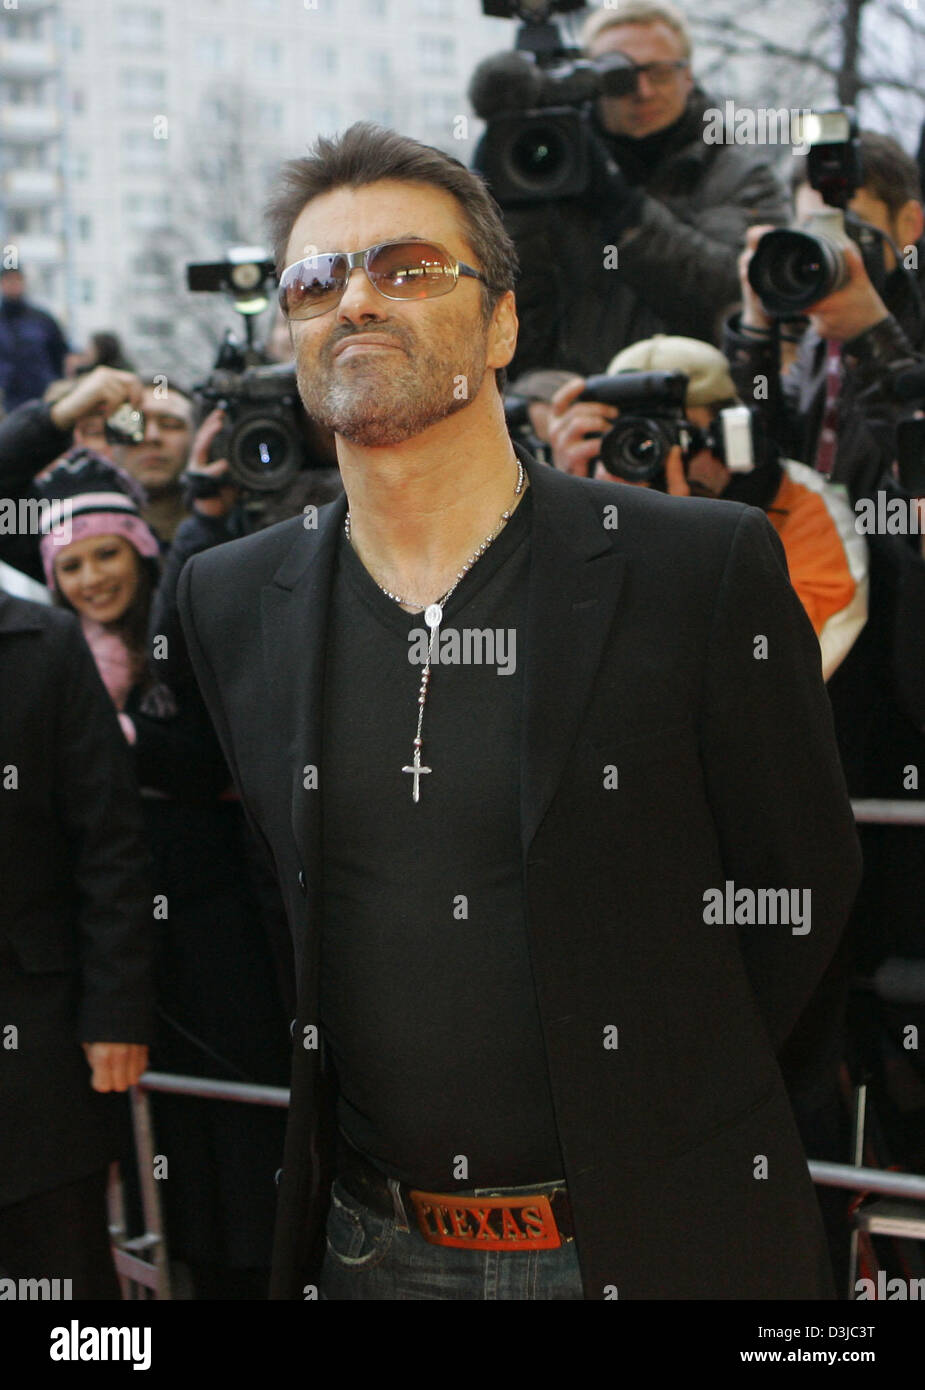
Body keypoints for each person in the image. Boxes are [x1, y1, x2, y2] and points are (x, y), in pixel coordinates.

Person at [177, 121, 861, 1301]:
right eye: (315, 277)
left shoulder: (694, 569)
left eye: (408, 267)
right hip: (371, 1248)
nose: (356, 300)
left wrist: (658, 1109)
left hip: (655, 1238)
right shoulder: (230, 598)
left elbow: (796, 883)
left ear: (499, 324)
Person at [37, 452, 291, 1299]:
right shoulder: (52, 660)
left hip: (217, 916)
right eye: (70, 565)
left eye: (105, 554)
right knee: (165, 1120)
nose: (92, 578)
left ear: (140, 549)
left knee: (242, 1113)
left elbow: (220, 760)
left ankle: (263, 1262)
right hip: (128, 938)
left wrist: (118, 739)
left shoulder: (179, 630)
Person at [545, 334, 869, 682]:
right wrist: (566, 507)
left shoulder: (809, 512)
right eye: (632, 442)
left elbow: (763, 683)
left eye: (681, 439)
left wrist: (676, 545)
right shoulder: (587, 503)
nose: (651, 460)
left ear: (734, 437)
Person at [503, 0, 789, 389]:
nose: (642, 91)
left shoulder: (740, 175)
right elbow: (512, 315)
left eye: (659, 72)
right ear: (589, 84)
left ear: (687, 75)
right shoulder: (551, 177)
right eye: (618, 76)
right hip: (577, 409)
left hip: (703, 406)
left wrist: (623, 210)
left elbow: (733, 292)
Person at [0, 588, 153, 1299]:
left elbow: (110, 841)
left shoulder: (44, 643)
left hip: (42, 1035)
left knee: (63, 1282)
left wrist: (116, 1011)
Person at [724, 131, 925, 505]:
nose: (831, 250)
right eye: (813, 230)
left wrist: (872, 338)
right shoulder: (822, 328)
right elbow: (777, 453)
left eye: (849, 229)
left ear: (909, 225)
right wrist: (755, 331)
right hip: (824, 555)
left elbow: (915, 464)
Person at [0, 266, 69, 414]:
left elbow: (60, 354)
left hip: (41, 396)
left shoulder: (42, 319)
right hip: (6, 399)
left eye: (17, 279)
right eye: (8, 279)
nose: (13, 284)